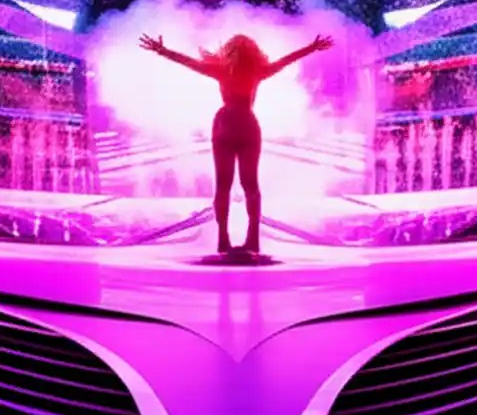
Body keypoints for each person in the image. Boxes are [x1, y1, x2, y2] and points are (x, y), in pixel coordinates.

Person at [140, 33, 335, 255]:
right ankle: (253, 239)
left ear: (229, 51)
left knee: (223, 185)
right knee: (250, 185)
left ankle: (223, 238)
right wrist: (311, 47)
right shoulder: (258, 71)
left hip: (224, 124)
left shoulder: (222, 70)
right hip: (247, 123)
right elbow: (286, 61)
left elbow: (189, 63)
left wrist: (163, 51)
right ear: (253, 52)